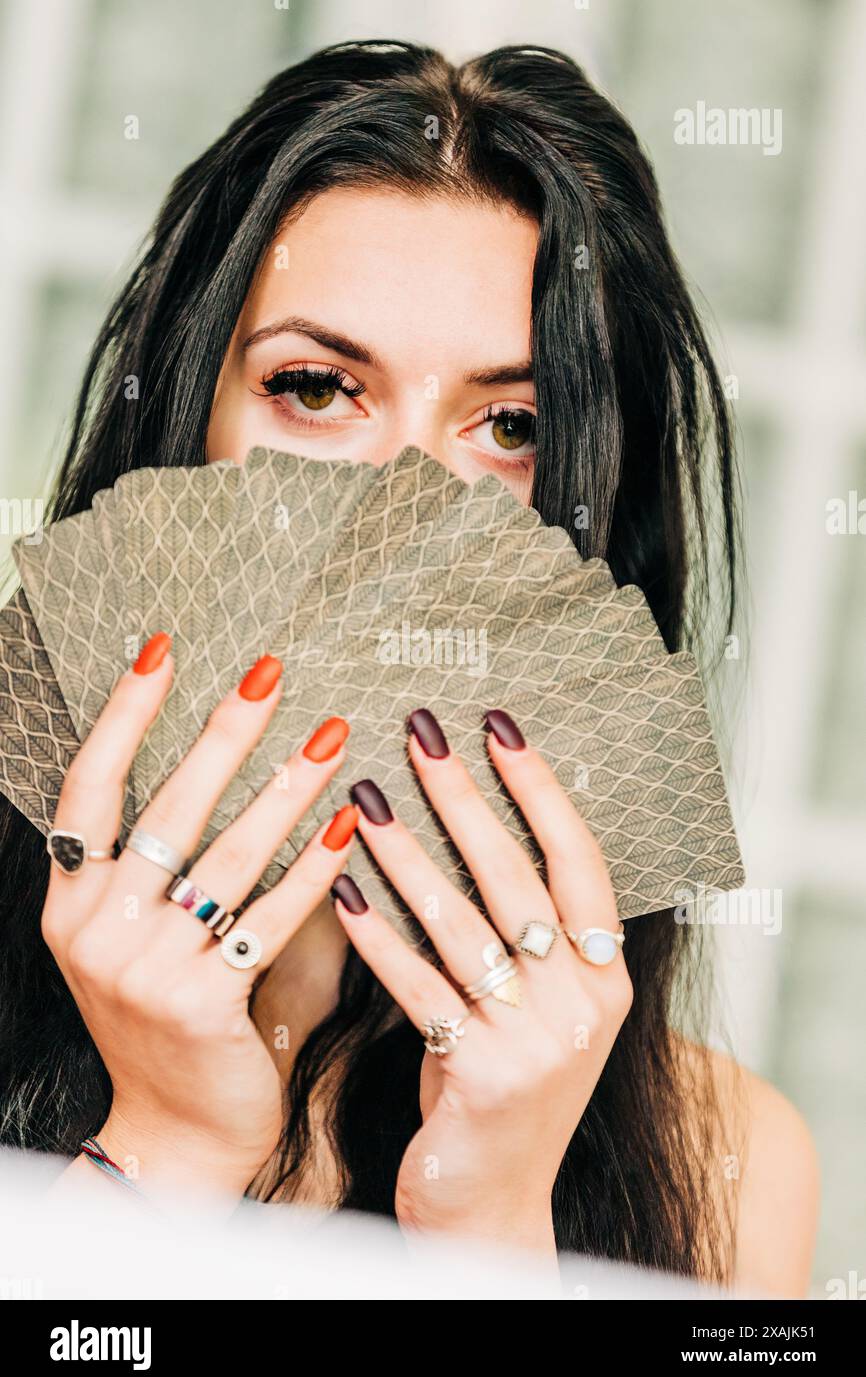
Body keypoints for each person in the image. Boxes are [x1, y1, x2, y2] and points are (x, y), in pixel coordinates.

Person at [0, 40, 818, 1292]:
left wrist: (491, 1237)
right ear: (181, 424)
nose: (403, 510)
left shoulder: (731, 1166)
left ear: (594, 521)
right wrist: (157, 1160)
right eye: (317, 388)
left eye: (510, 426)